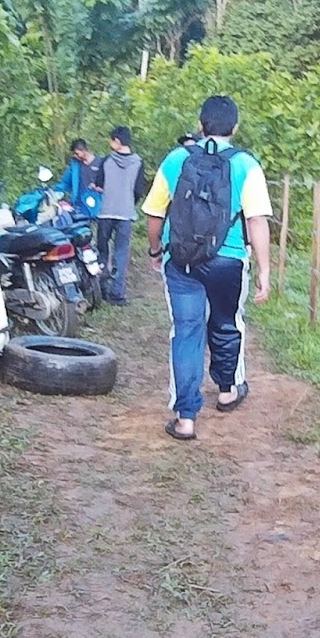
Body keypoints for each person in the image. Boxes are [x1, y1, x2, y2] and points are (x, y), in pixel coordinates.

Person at [142, 96, 272, 441]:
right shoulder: (247, 164)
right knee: (227, 323)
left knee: (186, 331)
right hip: (228, 260)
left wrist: (156, 250)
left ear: (201, 125)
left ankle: (185, 418)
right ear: (235, 127)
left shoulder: (176, 159)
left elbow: (155, 213)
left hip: (182, 260)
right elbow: (257, 220)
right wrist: (264, 271)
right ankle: (227, 390)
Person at [95, 126, 144, 305]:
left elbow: (98, 183)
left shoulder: (107, 160)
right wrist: (130, 202)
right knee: (121, 253)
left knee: (102, 250)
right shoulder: (138, 162)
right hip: (126, 213)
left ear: (117, 141)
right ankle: (117, 294)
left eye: (111, 140)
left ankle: (100, 288)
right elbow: (139, 189)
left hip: (106, 212)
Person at [59, 138, 102, 219]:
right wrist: (56, 192)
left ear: (83, 150)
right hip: (79, 205)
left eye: (77, 153)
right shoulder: (75, 166)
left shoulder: (100, 163)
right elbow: (65, 183)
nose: (75, 156)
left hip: (97, 205)